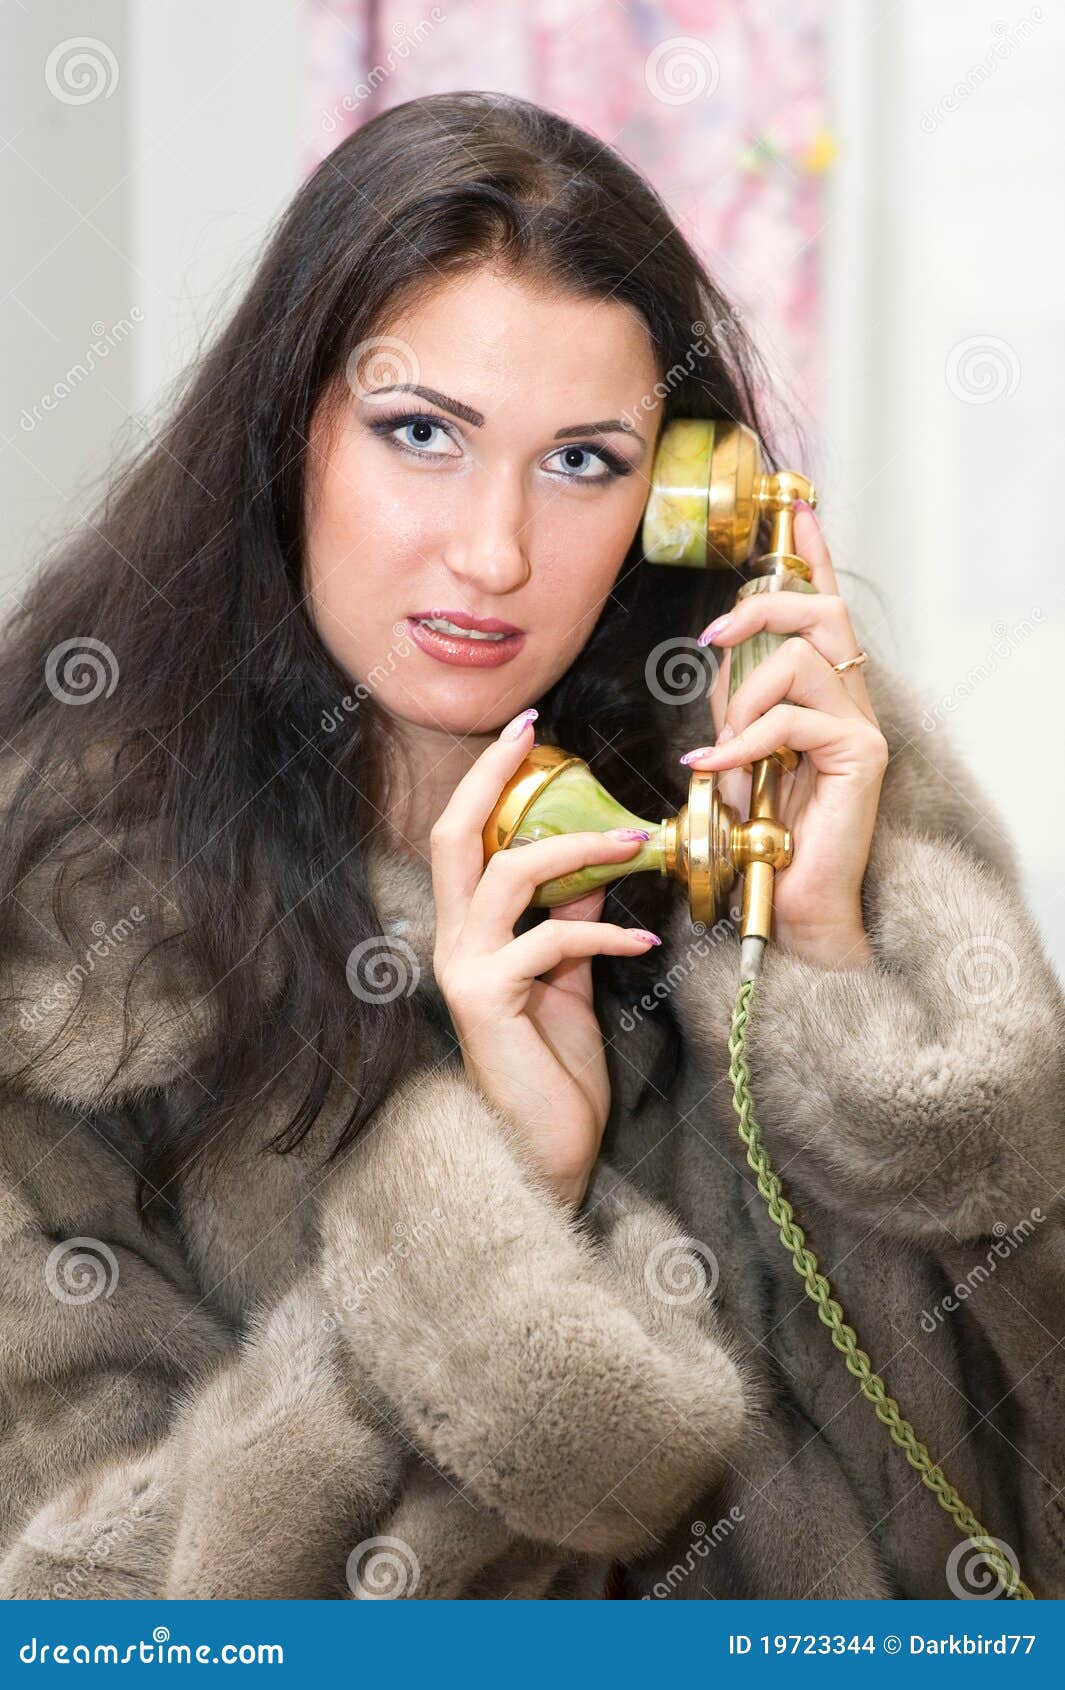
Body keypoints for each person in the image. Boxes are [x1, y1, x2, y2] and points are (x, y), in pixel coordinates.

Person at [0, 90, 1061, 1602]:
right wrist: (498, 1196)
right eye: (420, 433)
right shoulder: (68, 938)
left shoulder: (789, 777)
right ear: (280, 435)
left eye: (582, 463)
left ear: (680, 493)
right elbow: (85, 1617)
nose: (492, 553)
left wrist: (833, 973)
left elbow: (1021, 1487)